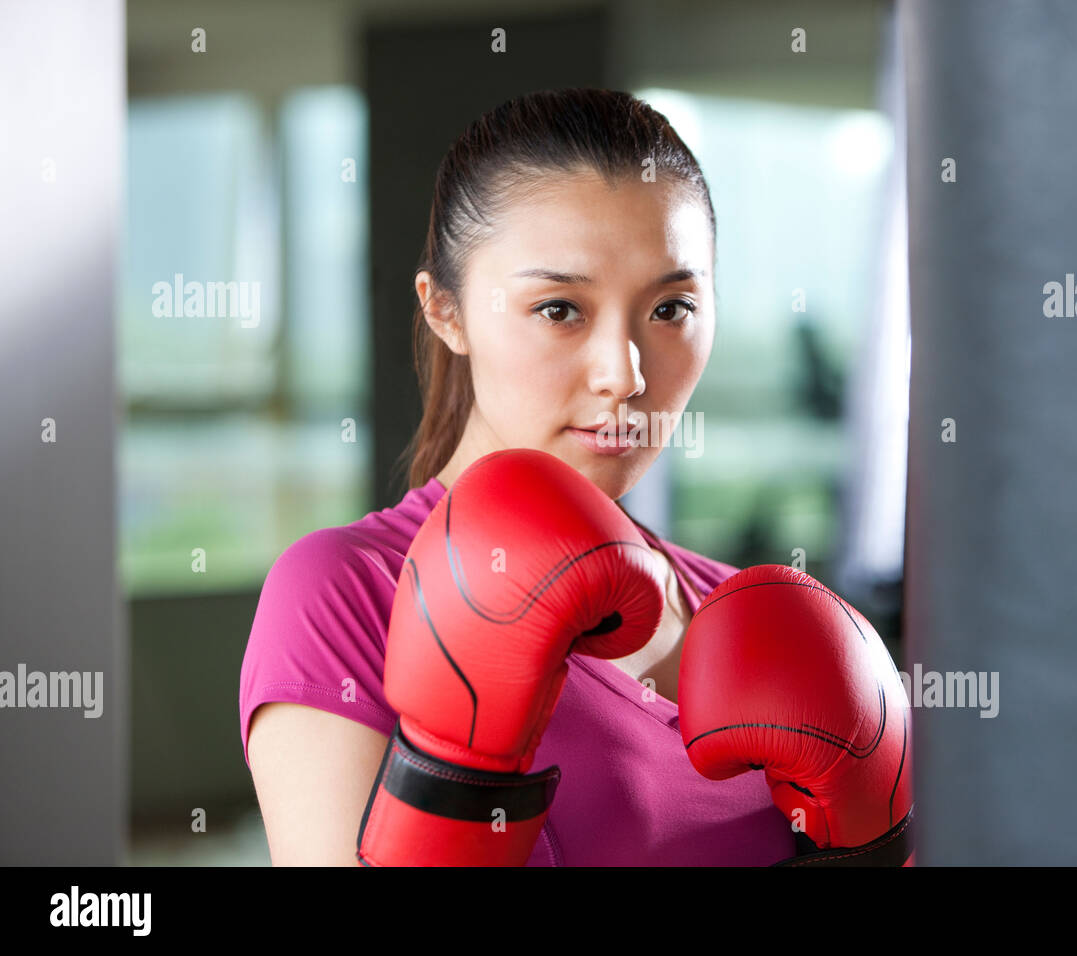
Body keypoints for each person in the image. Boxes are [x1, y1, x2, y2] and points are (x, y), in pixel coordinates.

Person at [240, 88, 798, 865]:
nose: (624, 375)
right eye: (560, 309)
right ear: (448, 313)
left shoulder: (756, 621)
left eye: (670, 308)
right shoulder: (346, 594)